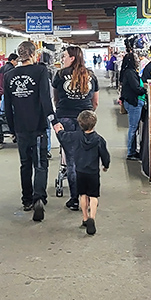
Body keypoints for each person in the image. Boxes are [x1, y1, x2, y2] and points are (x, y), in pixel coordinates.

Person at [4, 40, 55, 222]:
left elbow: (7, 107)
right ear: (34, 55)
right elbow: (45, 99)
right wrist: (53, 119)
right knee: (40, 163)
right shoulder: (40, 71)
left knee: (25, 164)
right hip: (39, 126)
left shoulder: (9, 75)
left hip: (20, 127)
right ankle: (39, 197)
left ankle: (26, 199)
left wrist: (12, 128)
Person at [52, 45, 99, 211]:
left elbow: (56, 99)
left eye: (64, 56)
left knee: (70, 159)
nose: (62, 59)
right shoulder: (91, 76)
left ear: (72, 58)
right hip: (84, 119)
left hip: (65, 118)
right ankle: (86, 197)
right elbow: (95, 102)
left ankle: (74, 199)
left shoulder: (59, 75)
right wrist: (88, 116)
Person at [54, 110, 110, 235]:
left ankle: (85, 218)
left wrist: (59, 130)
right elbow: (105, 155)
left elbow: (64, 137)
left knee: (83, 195)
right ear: (94, 124)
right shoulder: (99, 140)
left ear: (80, 124)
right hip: (93, 172)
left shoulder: (75, 136)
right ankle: (92, 217)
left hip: (80, 171)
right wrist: (106, 165)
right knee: (94, 196)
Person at [120, 51, 146, 160]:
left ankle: (133, 150)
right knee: (133, 127)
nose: (138, 60)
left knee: (133, 127)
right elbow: (136, 88)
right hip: (134, 103)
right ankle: (131, 152)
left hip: (132, 102)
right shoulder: (130, 73)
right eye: (136, 59)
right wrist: (145, 90)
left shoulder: (128, 72)